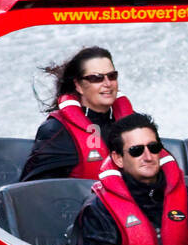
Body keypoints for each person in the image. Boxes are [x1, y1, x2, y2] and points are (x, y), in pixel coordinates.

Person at [67, 113, 188, 245]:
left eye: (153, 148)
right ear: (118, 159)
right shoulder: (98, 210)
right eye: (136, 151)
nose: (147, 157)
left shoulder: (187, 197)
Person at [19, 46, 134, 182]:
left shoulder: (136, 124)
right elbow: (33, 191)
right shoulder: (57, 131)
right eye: (96, 78)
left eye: (112, 76)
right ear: (78, 85)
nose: (107, 83)